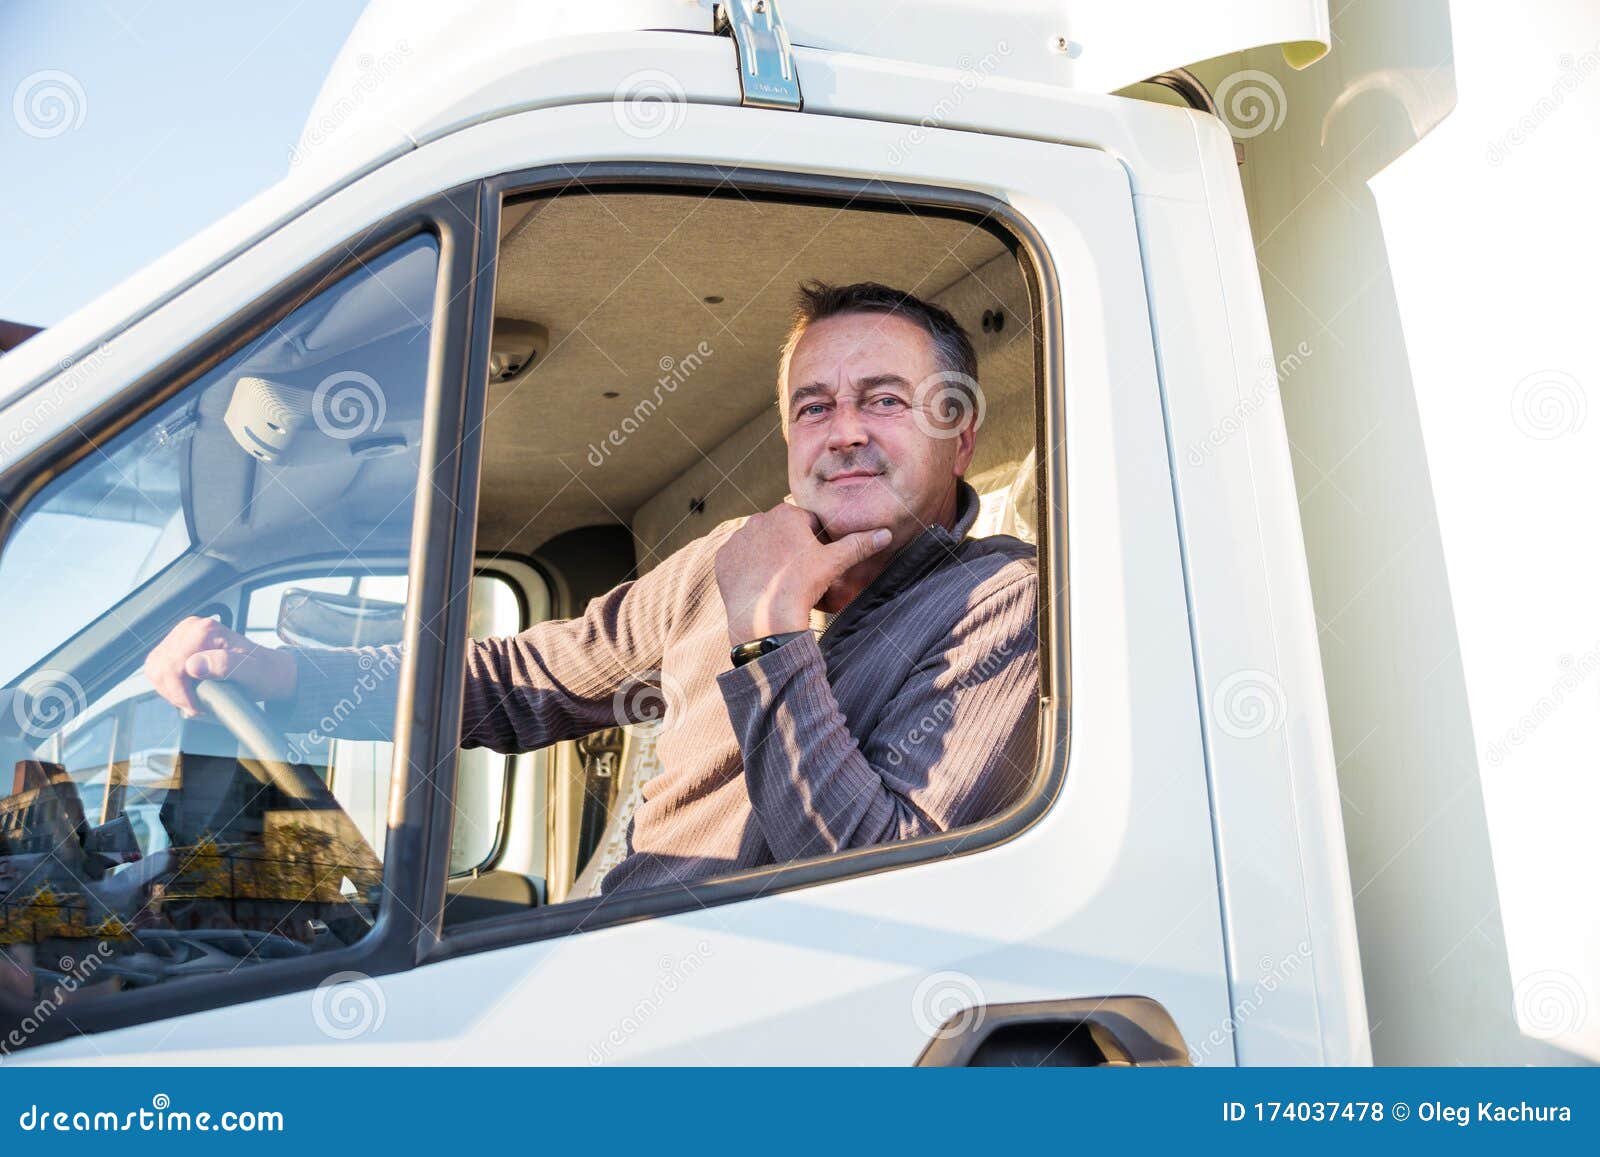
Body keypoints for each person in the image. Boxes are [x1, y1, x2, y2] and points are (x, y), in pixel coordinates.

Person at [144, 281, 1040, 895]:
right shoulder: (728, 553)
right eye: (814, 407)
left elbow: (875, 882)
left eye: (883, 400)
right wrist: (289, 673)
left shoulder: (1004, 601)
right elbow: (521, 680)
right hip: (611, 957)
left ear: (957, 437)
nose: (843, 433)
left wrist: (768, 625)